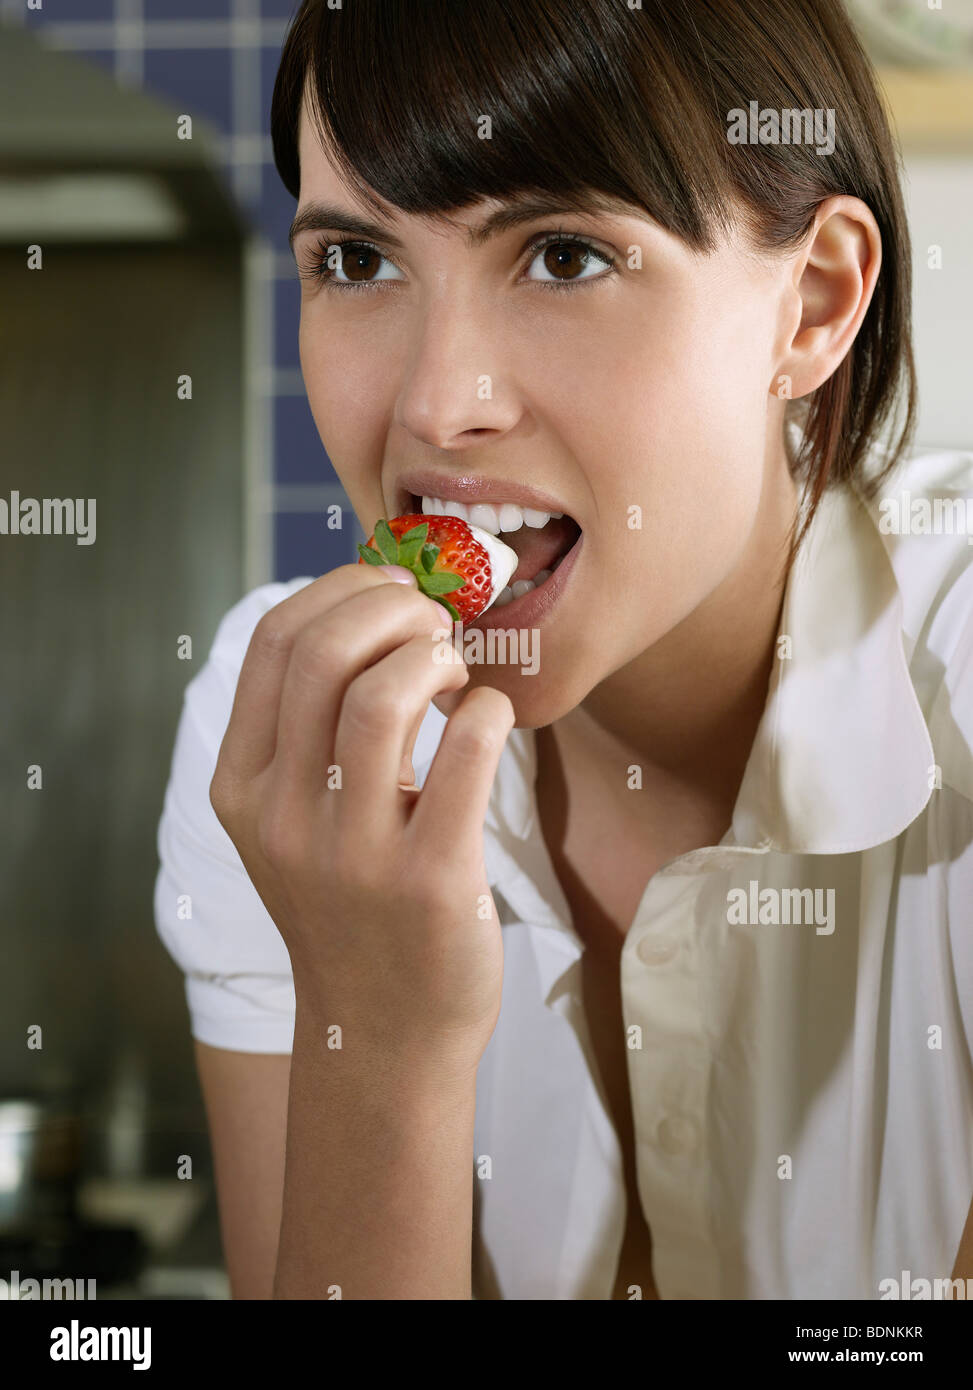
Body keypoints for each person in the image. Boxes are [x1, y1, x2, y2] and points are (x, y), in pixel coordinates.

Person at [154, 0, 973, 1300]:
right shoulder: (280, 733)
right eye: (358, 264)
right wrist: (376, 1031)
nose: (432, 404)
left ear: (810, 308)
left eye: (565, 256)